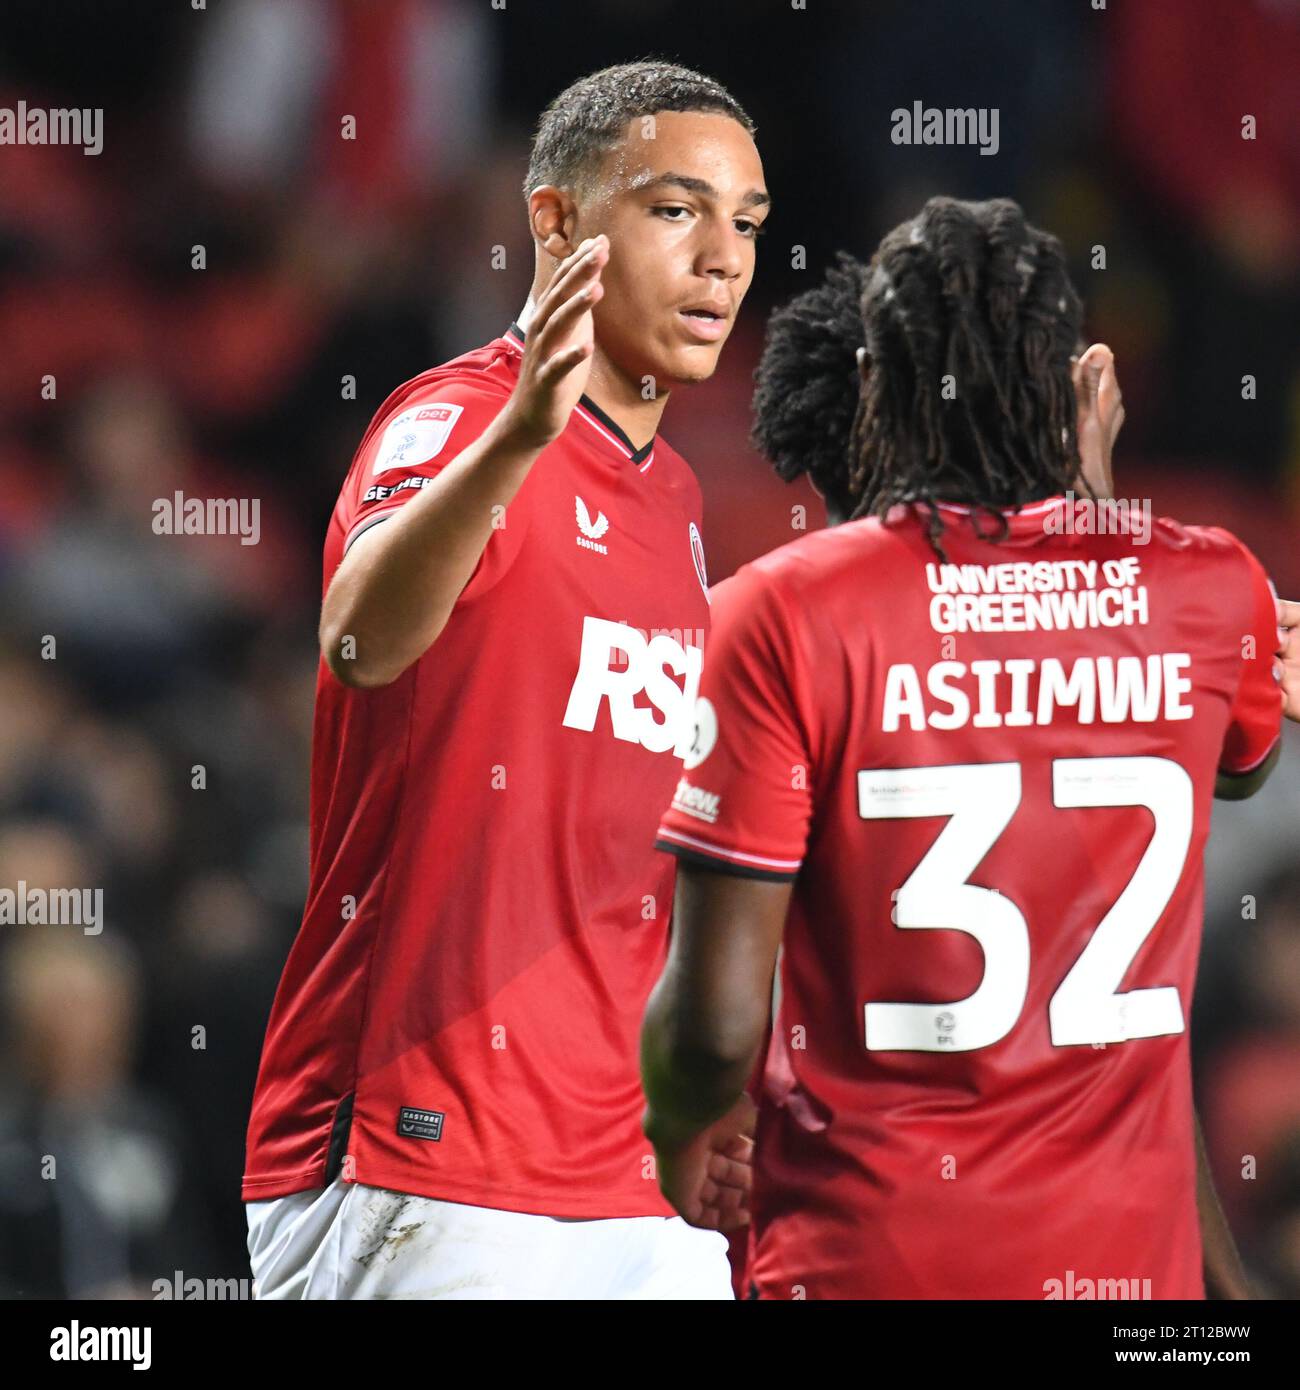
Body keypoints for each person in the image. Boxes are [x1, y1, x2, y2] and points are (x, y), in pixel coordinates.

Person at [641, 196, 1288, 1299]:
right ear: (1079, 386)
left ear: (876, 395)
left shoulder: (781, 614)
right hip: (1128, 1278)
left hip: (866, 1260)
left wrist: (676, 1133)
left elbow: (712, 1026)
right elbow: (1241, 760)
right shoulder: (1206, 585)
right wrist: (1094, 527)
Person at [242, 60, 770, 1299]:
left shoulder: (681, 499)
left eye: (746, 222)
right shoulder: (449, 419)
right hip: (429, 1151)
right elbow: (359, 638)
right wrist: (517, 443)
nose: (723, 259)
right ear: (555, 221)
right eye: (676, 208)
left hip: (630, 1170)